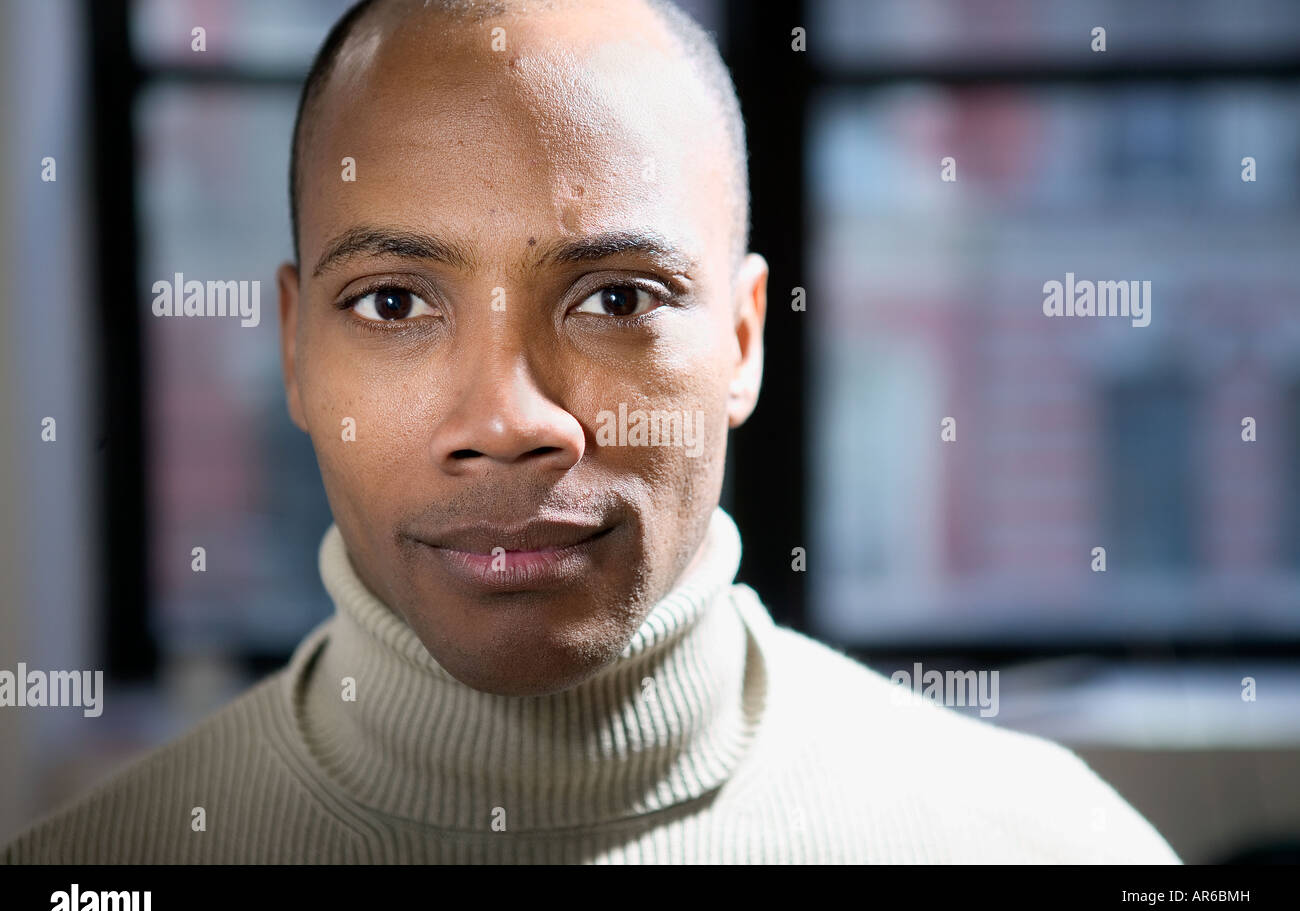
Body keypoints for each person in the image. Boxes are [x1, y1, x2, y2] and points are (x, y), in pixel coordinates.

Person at [3, 0, 1180, 863]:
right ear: (296, 349)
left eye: (616, 299)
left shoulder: (1048, 848)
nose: (509, 423)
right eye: (395, 303)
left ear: (742, 341)